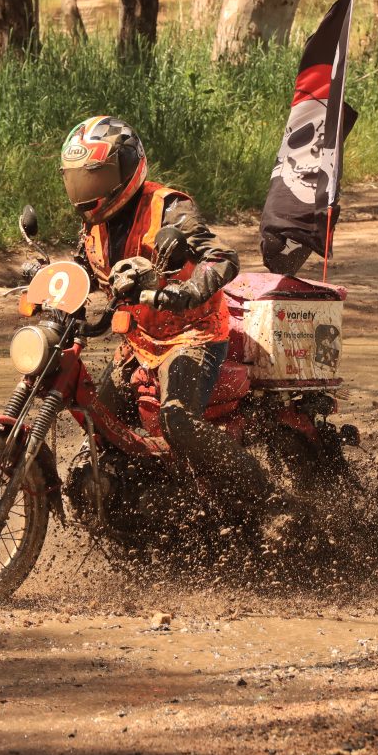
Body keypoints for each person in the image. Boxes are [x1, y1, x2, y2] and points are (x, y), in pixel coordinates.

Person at [59, 115, 274, 512]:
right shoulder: (94, 226)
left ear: (127, 170)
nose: (86, 192)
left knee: (177, 422)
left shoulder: (169, 208)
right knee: (99, 420)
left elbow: (222, 259)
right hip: (140, 341)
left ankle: (268, 497)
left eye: (96, 178)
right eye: (78, 180)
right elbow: (84, 273)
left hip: (193, 335)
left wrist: (184, 293)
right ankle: (138, 501)